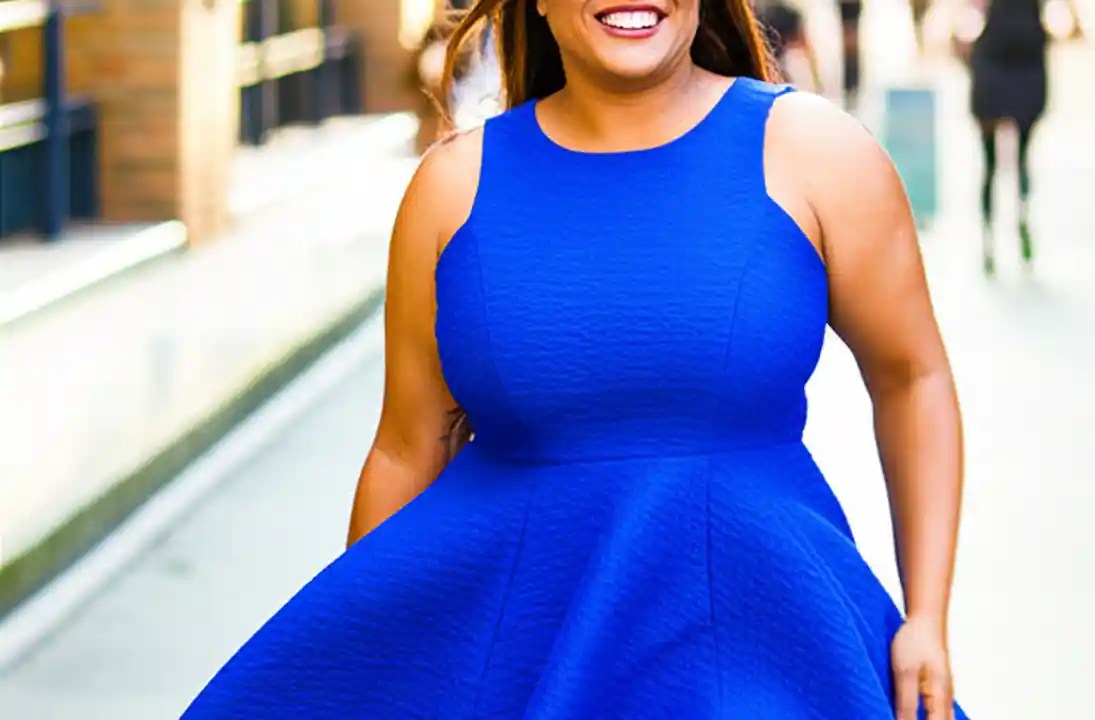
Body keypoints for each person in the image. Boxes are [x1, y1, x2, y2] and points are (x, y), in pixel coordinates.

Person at [184, 0, 969, 716]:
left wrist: (926, 615)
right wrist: (372, 660)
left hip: (768, 639)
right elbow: (405, 445)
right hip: (523, 655)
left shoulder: (817, 154)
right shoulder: (451, 190)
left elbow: (913, 377)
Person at [965, 0, 1048, 273]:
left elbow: (968, 13)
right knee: (1021, 158)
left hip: (996, 63)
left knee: (990, 162)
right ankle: (1018, 218)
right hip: (1026, 61)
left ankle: (990, 235)